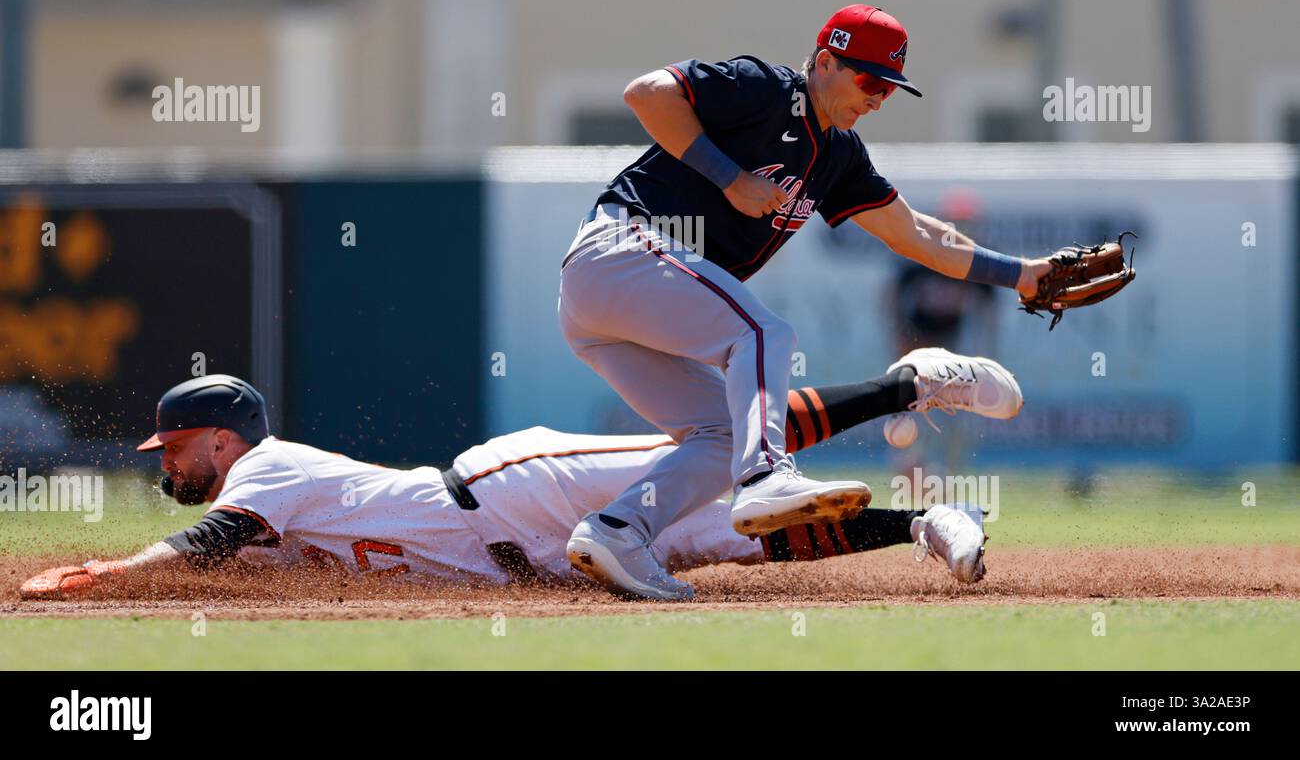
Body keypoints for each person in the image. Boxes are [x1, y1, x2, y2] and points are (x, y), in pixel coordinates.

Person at [557, 4, 1052, 599]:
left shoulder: (840, 154)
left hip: (607, 316)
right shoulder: (765, 90)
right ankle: (765, 475)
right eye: (869, 81)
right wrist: (730, 177)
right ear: (825, 63)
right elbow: (648, 94)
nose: (877, 99)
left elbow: (915, 234)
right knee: (763, 334)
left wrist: (1022, 275)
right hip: (620, 247)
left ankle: (619, 530)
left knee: (721, 432)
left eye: (889, 89)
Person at [19, 354, 1021, 602]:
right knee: (736, 535)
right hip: (542, 560)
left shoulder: (269, 470)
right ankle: (931, 521)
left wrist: (113, 573)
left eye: (174, 450)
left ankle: (906, 381)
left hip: (512, 489)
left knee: (718, 437)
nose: (167, 467)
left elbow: (208, 542)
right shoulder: (267, 504)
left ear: (218, 441)